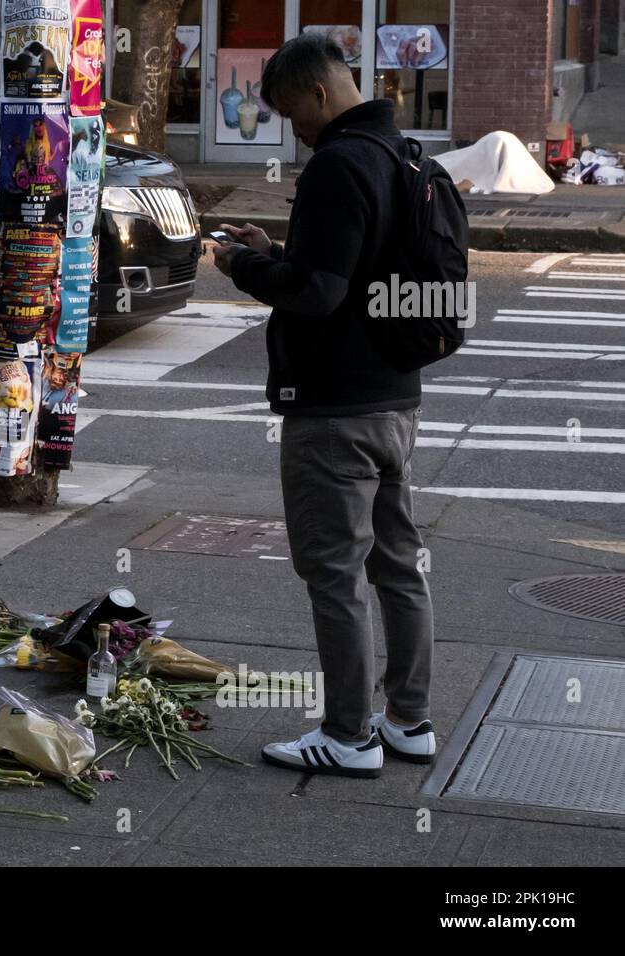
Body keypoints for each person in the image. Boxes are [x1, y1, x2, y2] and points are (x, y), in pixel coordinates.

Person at [210, 33, 437, 778]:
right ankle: (408, 721)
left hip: (334, 408)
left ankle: (346, 735)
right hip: (395, 398)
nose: (291, 130)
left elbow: (319, 295)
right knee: (399, 566)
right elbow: (346, 270)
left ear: (318, 93)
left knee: (334, 573)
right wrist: (275, 251)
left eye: (288, 112)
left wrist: (244, 266)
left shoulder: (339, 165)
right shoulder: (403, 154)